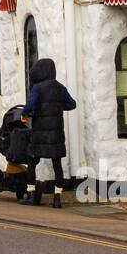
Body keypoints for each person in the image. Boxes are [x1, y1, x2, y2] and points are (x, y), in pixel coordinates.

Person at [21, 58, 76, 208]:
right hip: (56, 132)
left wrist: (24, 114)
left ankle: (31, 194)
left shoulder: (38, 88)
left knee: (32, 161)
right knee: (57, 164)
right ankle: (57, 198)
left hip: (40, 132)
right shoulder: (60, 88)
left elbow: (30, 105)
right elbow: (72, 104)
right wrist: (56, 107)